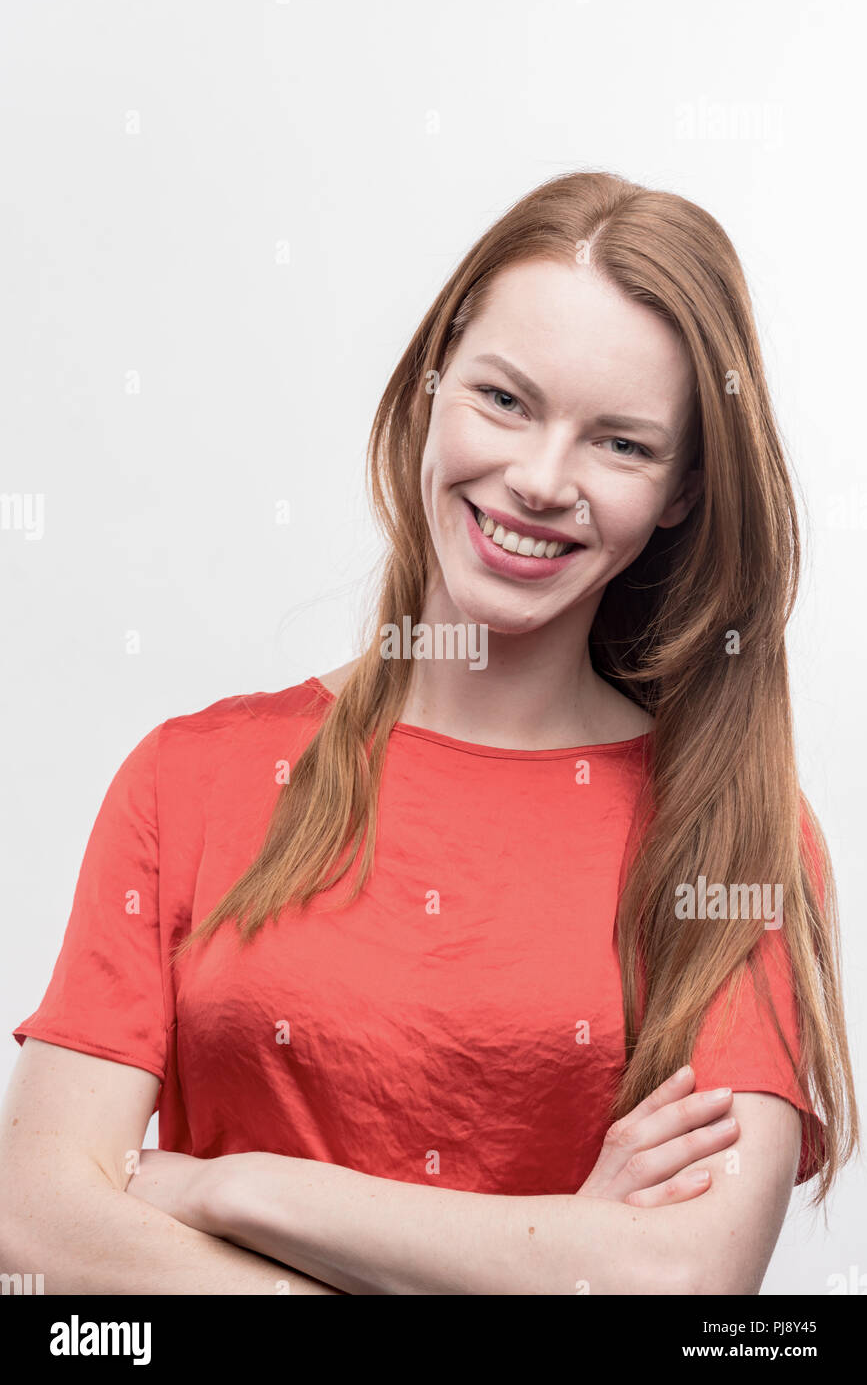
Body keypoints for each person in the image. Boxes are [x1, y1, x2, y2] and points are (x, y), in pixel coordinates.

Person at [1, 171, 858, 1295]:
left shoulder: (734, 840)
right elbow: (37, 1214)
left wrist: (233, 1184)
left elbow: (679, 1285)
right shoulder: (191, 778)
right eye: (505, 400)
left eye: (622, 446)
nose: (540, 480)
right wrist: (550, 1252)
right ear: (433, 380)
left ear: (685, 491)